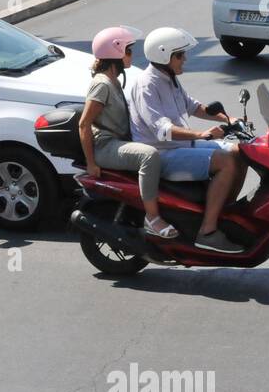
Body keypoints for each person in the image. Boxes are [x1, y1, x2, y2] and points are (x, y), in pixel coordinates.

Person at [127, 27, 247, 254]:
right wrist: (201, 134)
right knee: (226, 162)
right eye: (180, 55)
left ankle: (221, 211)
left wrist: (228, 118)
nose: (185, 59)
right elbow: (161, 130)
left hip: (180, 146)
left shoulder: (168, 77)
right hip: (163, 154)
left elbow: (193, 106)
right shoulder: (147, 86)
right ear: (164, 55)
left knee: (239, 152)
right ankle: (208, 231)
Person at [78, 26, 177, 240]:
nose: (132, 54)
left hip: (117, 141)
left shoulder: (114, 80)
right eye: (129, 50)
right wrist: (91, 163)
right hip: (105, 146)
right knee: (148, 156)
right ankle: (152, 218)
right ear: (116, 52)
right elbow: (84, 124)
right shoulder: (102, 84)